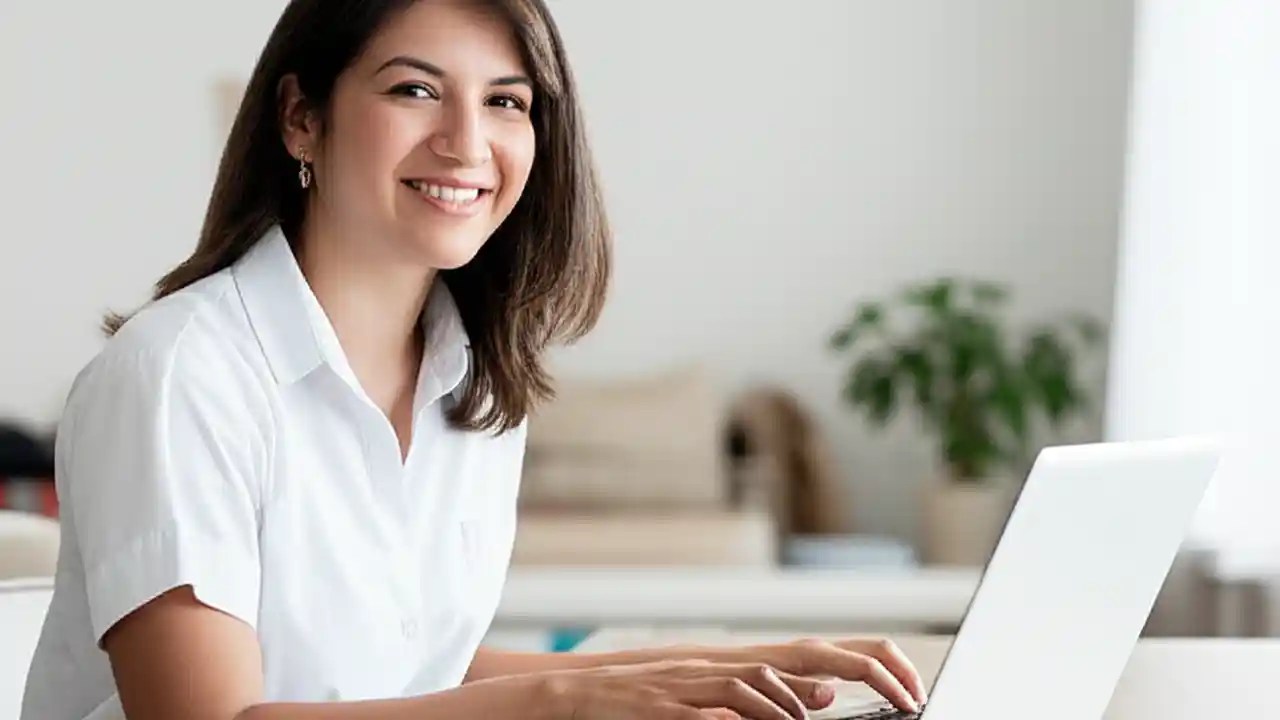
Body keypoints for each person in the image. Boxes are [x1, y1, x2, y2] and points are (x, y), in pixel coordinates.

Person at [21, 1, 928, 718]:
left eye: (506, 101)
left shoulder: (476, 382)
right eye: (415, 90)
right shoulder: (179, 373)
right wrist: (562, 700)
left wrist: (737, 668)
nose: (467, 143)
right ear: (301, 118)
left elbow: (415, 673)